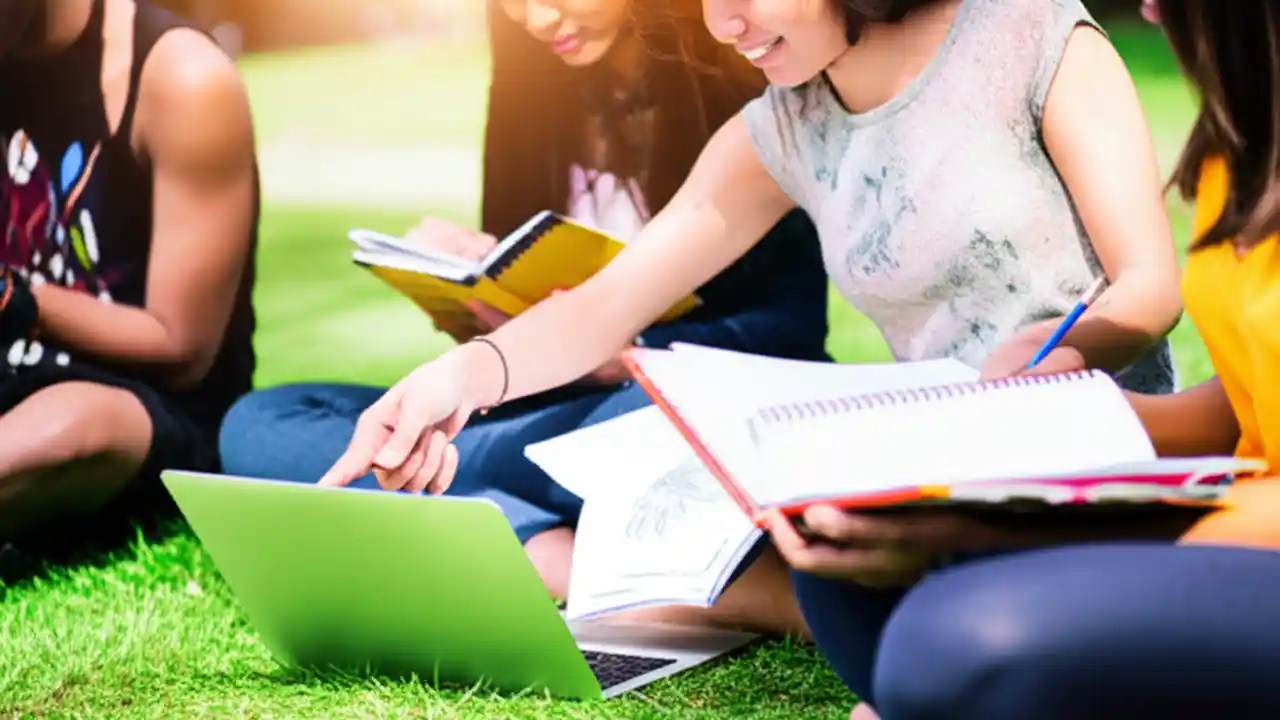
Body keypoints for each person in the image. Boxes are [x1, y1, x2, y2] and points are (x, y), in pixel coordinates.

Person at [314, 0, 1184, 644]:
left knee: (911, 611)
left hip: (1089, 453)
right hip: (931, 478)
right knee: (852, 579)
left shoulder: (1031, 36)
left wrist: (1060, 354)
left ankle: (620, 575)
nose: (721, 23)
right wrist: (451, 382)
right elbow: (604, 306)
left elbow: (1148, 287)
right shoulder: (783, 126)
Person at [217, 0, 829, 634]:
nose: (534, 17)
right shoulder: (531, 86)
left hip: (668, 406)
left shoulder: (747, 92)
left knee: (660, 436)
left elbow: (788, 336)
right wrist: (472, 291)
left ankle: (480, 513)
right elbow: (522, 302)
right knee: (257, 424)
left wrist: (628, 352)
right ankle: (552, 551)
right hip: (546, 397)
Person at [754, 1, 1280, 718]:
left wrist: (1026, 528)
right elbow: (1253, 397)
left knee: (951, 640)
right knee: (844, 574)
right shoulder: (1242, 149)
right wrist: (1093, 427)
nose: (1150, 6)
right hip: (1243, 516)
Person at [0, 0, 258, 549]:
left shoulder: (182, 77)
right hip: (11, 373)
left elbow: (182, 350)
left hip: (141, 403)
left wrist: (22, 302)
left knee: (76, 423)